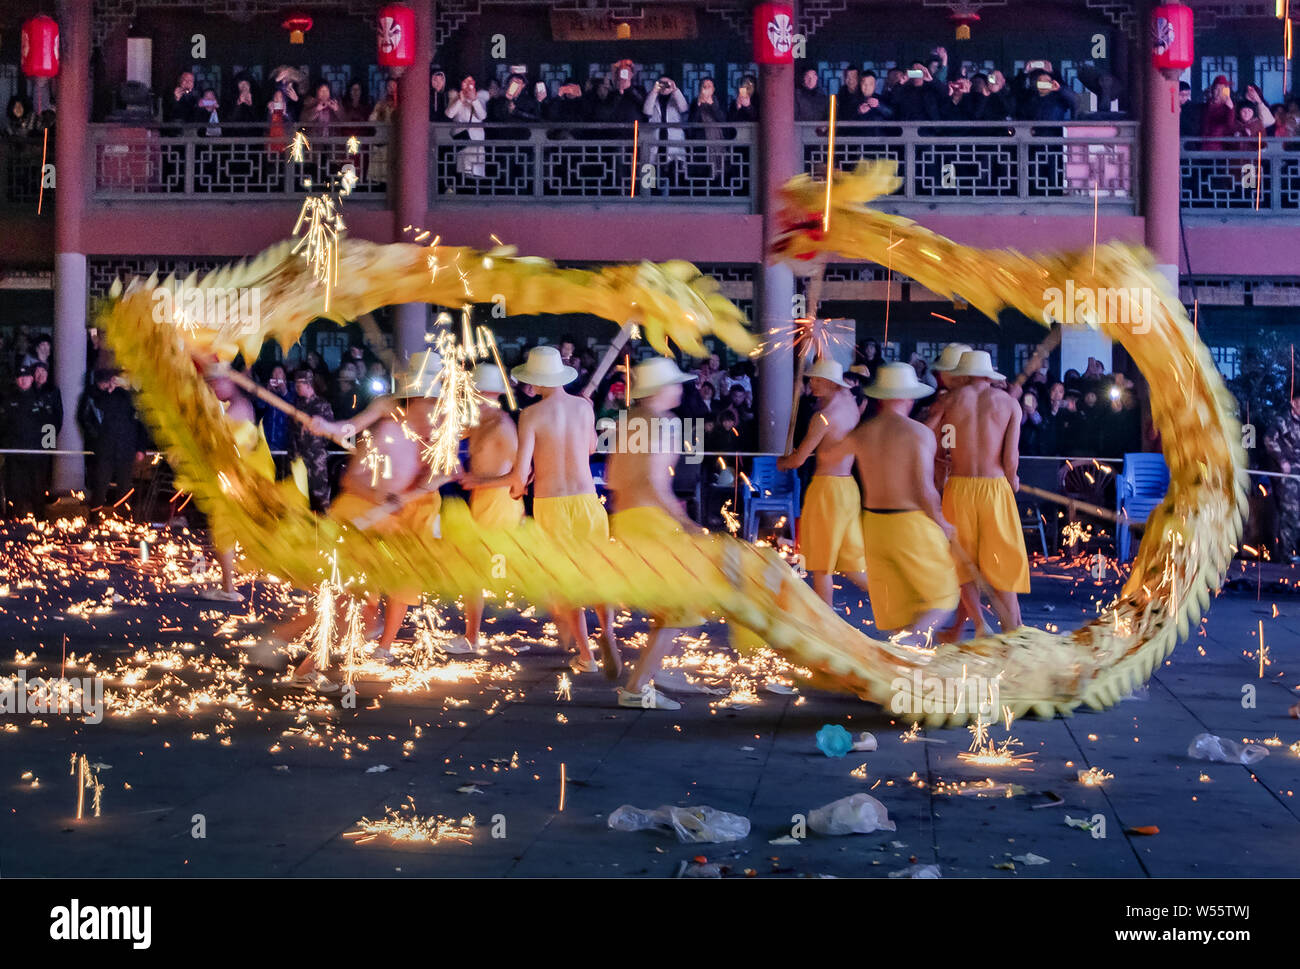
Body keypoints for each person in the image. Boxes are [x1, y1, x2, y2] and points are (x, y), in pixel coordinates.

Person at [507, 346, 620, 677]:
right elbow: (590, 448)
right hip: (587, 499)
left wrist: (516, 487)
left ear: (537, 381)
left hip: (550, 503)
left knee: (565, 580)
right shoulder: (584, 407)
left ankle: (587, 655)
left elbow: (519, 470)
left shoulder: (530, 415)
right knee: (597, 573)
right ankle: (608, 633)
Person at [824, 363, 958, 636]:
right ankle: (911, 648)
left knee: (899, 610)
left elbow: (828, 458)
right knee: (943, 597)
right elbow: (925, 490)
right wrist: (943, 523)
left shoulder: (862, 432)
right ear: (906, 397)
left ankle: (898, 665)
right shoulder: (918, 433)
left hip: (873, 525)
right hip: (909, 524)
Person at [606, 356, 701, 709]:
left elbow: (614, 477)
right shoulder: (665, 423)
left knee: (669, 605)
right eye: (675, 383)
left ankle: (654, 670)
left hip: (627, 518)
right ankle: (636, 688)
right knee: (681, 604)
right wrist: (686, 522)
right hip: (652, 520)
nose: (680, 388)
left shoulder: (628, 421)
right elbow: (655, 481)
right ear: (661, 390)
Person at [925, 351, 1029, 640]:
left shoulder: (947, 401)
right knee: (1003, 560)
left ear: (964, 374)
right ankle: (1012, 632)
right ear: (989, 375)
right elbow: (1010, 458)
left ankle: (981, 626)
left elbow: (931, 442)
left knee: (962, 562)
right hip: (994, 489)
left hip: (957, 487)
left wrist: (942, 462)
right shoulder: (1009, 404)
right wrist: (1014, 480)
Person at [777, 359, 869, 607]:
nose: (812, 383)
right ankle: (897, 594)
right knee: (850, 561)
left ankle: (826, 623)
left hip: (827, 490)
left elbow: (798, 460)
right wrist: (817, 337)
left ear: (832, 383)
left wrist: (783, 462)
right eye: (812, 378)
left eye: (818, 379)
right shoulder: (850, 404)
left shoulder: (823, 417)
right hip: (848, 489)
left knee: (820, 564)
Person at [453, 364, 524, 653]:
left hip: (499, 505)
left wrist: (475, 480)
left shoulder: (502, 426)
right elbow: (443, 437)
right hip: (482, 503)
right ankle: (472, 636)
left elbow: (521, 477)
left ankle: (472, 638)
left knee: (477, 571)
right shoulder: (479, 422)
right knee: (476, 571)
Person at [79, 369, 144, 515]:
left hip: (126, 449)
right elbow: (94, 411)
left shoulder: (131, 398)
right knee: (100, 485)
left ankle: (124, 517)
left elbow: (141, 423)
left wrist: (140, 447)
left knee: (125, 487)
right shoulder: (100, 395)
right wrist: (96, 438)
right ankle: (95, 516)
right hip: (105, 449)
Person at [1, 365, 47, 518]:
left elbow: (50, 424)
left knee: (38, 488)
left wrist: (48, 448)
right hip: (15, 453)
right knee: (14, 489)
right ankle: (13, 520)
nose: (23, 380)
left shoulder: (40, 399)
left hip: (36, 452)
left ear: (32, 379)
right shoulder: (9, 400)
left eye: (26, 377)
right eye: (20, 378)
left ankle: (40, 519)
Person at [286, 369, 333, 512]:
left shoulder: (322, 405)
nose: (296, 387)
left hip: (316, 457)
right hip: (299, 456)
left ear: (308, 385)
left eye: (299, 384)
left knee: (319, 494)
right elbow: (292, 431)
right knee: (299, 494)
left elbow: (330, 431)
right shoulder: (297, 405)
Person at [1264, 387, 1300, 561]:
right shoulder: (1283, 420)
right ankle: (1286, 555)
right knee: (1290, 513)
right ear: (1293, 403)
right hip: (1289, 476)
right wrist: (1282, 460)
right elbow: (1269, 439)